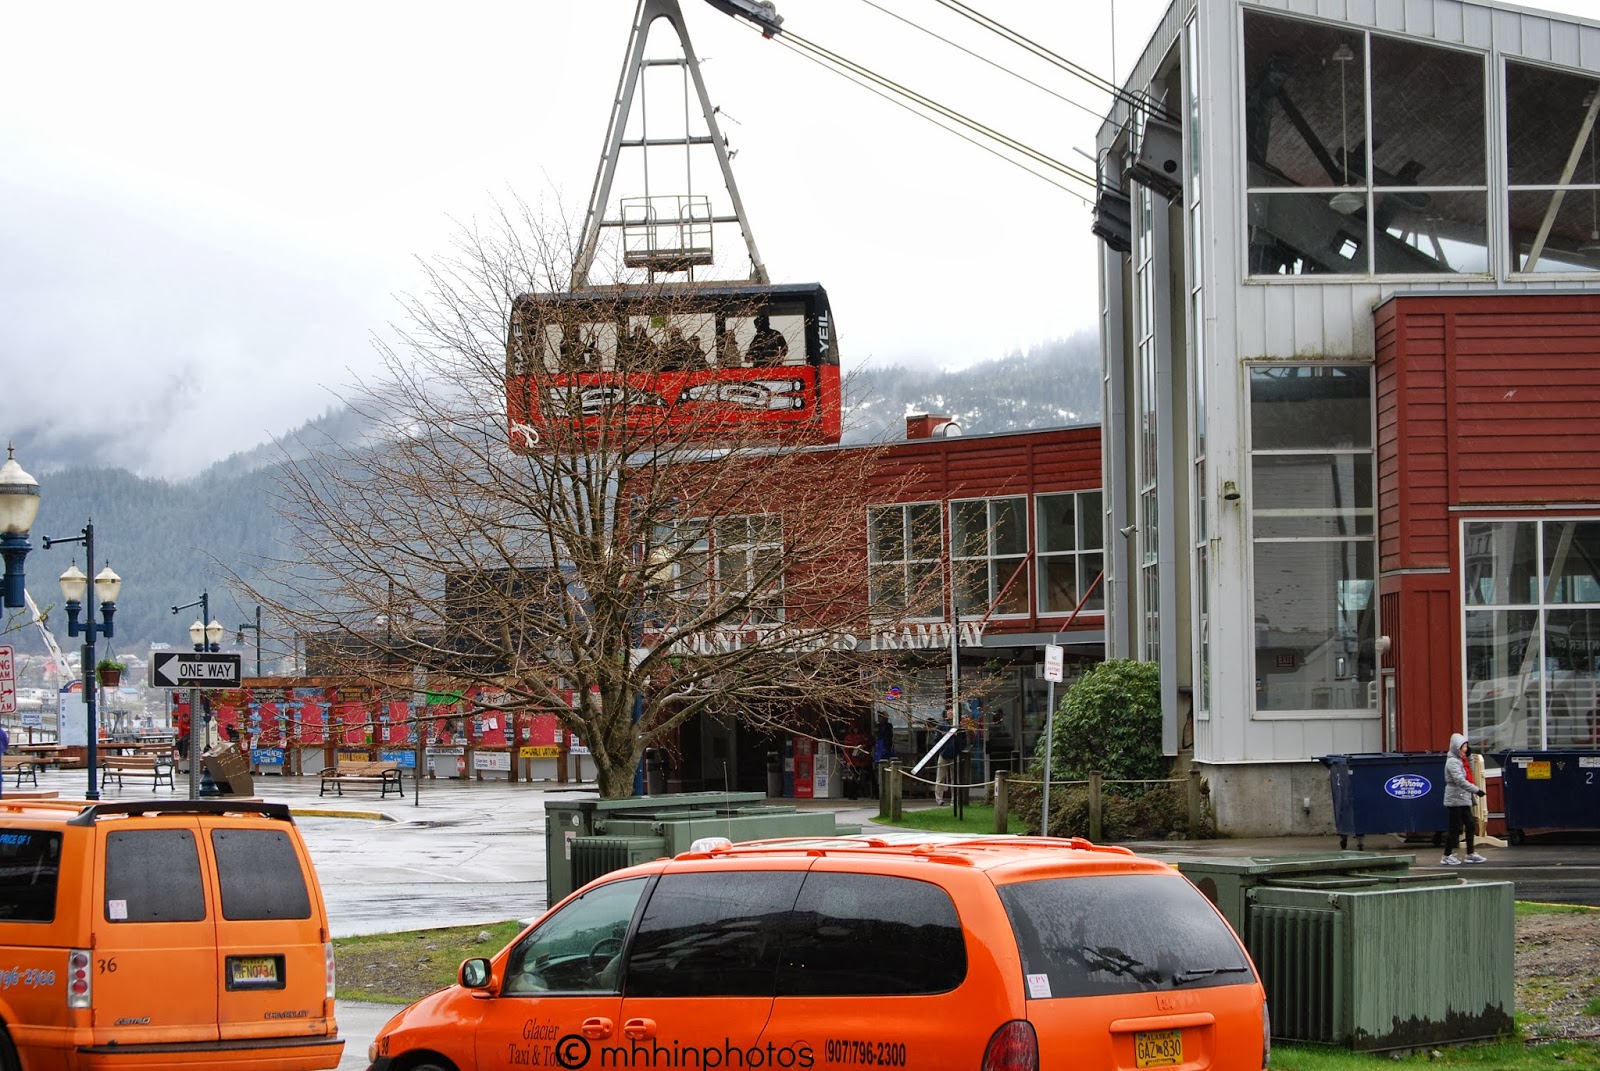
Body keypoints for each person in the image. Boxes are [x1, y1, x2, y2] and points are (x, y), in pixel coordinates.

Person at [1443, 732, 1487, 865]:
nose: (1466, 749)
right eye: (1464, 747)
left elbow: (1469, 773)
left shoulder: (1462, 760)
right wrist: (1476, 790)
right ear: (1457, 747)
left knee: (1470, 824)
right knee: (1455, 827)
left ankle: (1470, 853)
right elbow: (1460, 780)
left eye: (1466, 746)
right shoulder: (1452, 762)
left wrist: (1469, 758)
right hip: (1455, 798)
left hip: (1463, 797)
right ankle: (1447, 855)